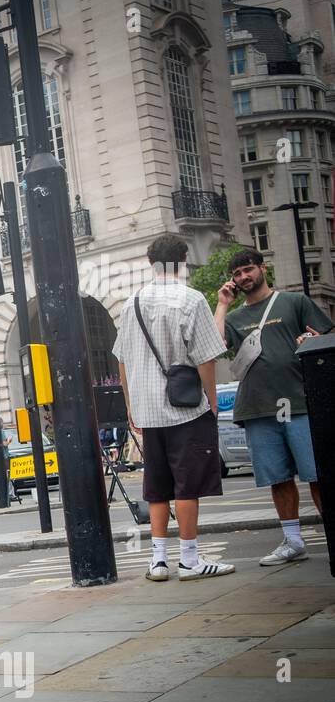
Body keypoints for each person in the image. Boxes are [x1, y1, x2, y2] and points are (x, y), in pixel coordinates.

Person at [114, 233, 232, 581]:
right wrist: (211, 400)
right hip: (185, 408)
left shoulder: (130, 303)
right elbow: (206, 358)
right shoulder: (191, 299)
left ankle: (158, 561)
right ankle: (190, 559)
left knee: (157, 486)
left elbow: (122, 360)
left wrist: (131, 406)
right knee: (187, 486)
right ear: (182, 261)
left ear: (151, 262)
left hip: (148, 410)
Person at [214, 247, 332, 566]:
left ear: (262, 268)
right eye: (237, 274)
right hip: (258, 408)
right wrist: (223, 304)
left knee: (318, 474)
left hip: (299, 402)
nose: (243, 277)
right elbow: (212, 344)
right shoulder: (236, 318)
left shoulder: (294, 302)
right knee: (278, 478)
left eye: (248, 270)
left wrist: (312, 342)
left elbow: (327, 338)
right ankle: (293, 541)